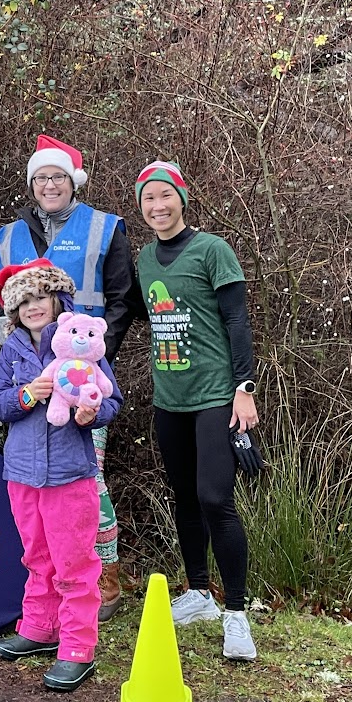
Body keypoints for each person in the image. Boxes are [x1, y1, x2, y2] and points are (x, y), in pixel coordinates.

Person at [0, 134, 146, 621]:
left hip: (83, 379)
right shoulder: (8, 235)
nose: (49, 185)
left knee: (88, 479)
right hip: (26, 376)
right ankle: (48, 593)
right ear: (31, 184)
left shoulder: (104, 227)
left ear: (73, 181)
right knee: (37, 485)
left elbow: (124, 299)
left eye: (57, 176)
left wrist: (91, 360)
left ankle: (104, 578)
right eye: (41, 178)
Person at [134, 159, 260, 661]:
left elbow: (237, 321)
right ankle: (200, 593)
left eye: (165, 195)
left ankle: (237, 614)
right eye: (148, 198)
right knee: (184, 496)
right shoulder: (144, 259)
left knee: (214, 498)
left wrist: (244, 388)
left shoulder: (212, 250)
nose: (157, 206)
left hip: (215, 396)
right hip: (170, 399)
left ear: (182, 199)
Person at [0, 259, 123, 693]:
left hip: (69, 475)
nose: (33, 306)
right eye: (24, 301)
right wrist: (26, 395)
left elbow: (111, 400)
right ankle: (39, 628)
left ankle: (77, 647)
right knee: (37, 557)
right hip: (22, 473)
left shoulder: (81, 344)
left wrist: (91, 413)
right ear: (14, 310)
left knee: (74, 564)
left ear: (58, 299)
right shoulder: (12, 349)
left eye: (40, 296)